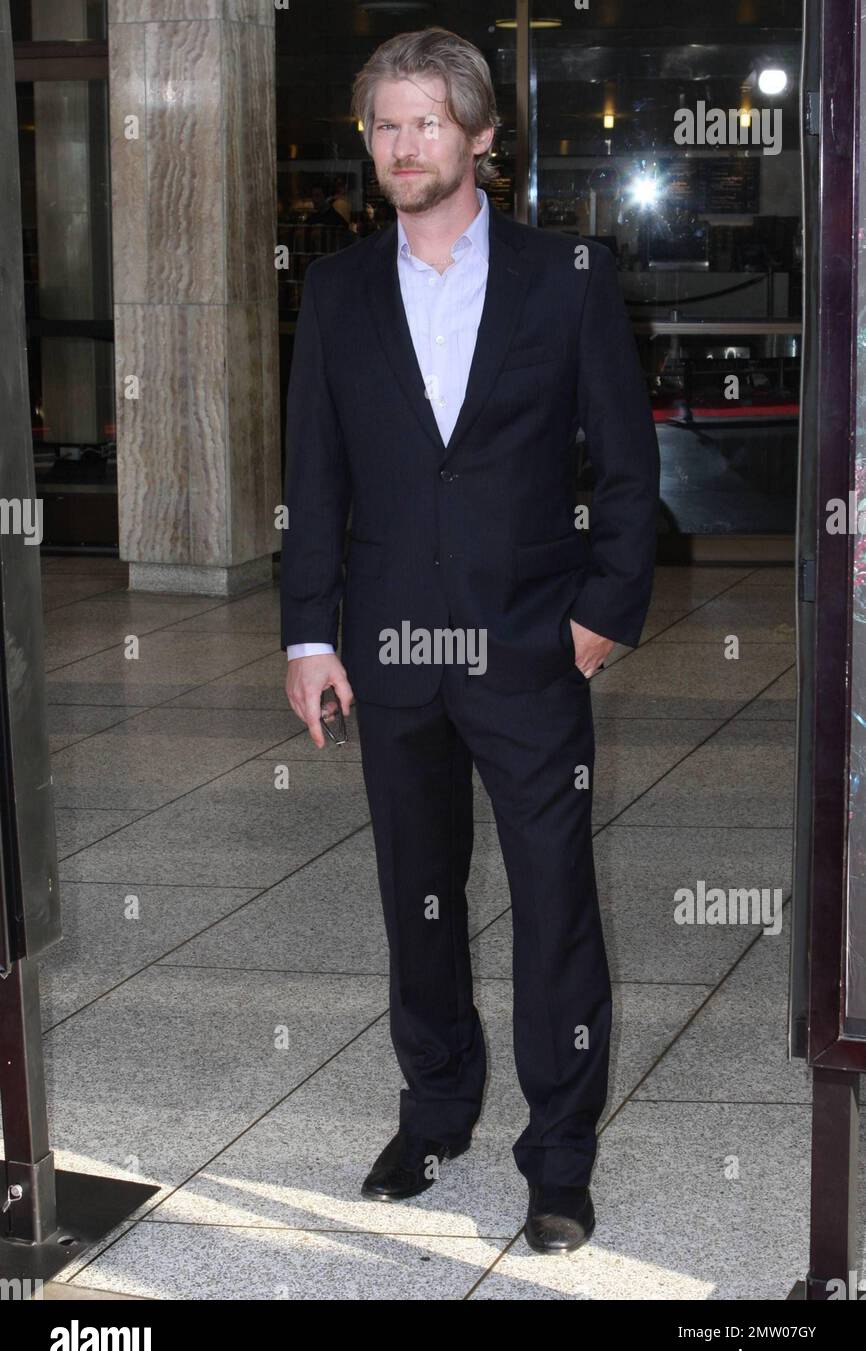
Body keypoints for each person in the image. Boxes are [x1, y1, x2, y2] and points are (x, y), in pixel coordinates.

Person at [280, 27, 660, 1255]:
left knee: (552, 903)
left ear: (481, 136)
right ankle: (433, 1113)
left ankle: (557, 1157)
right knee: (419, 897)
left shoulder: (568, 280)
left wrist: (600, 616)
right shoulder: (334, 291)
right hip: (389, 653)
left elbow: (627, 462)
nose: (401, 145)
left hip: (530, 645)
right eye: (384, 124)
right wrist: (305, 637)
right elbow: (315, 475)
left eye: (426, 123)